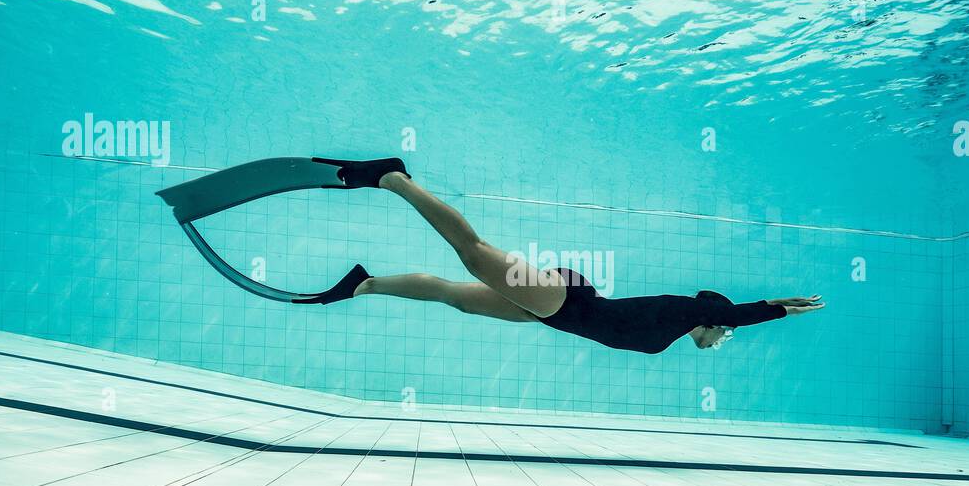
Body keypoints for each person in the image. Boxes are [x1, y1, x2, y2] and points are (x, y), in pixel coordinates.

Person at [316, 158, 825, 354]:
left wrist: (768, 305)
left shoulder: (676, 329)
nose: (721, 340)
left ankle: (364, 283)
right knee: (475, 254)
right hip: (563, 300)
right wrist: (781, 308)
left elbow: (730, 313)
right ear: (716, 323)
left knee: (460, 298)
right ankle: (393, 178)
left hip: (555, 310)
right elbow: (732, 313)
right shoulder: (689, 312)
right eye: (725, 334)